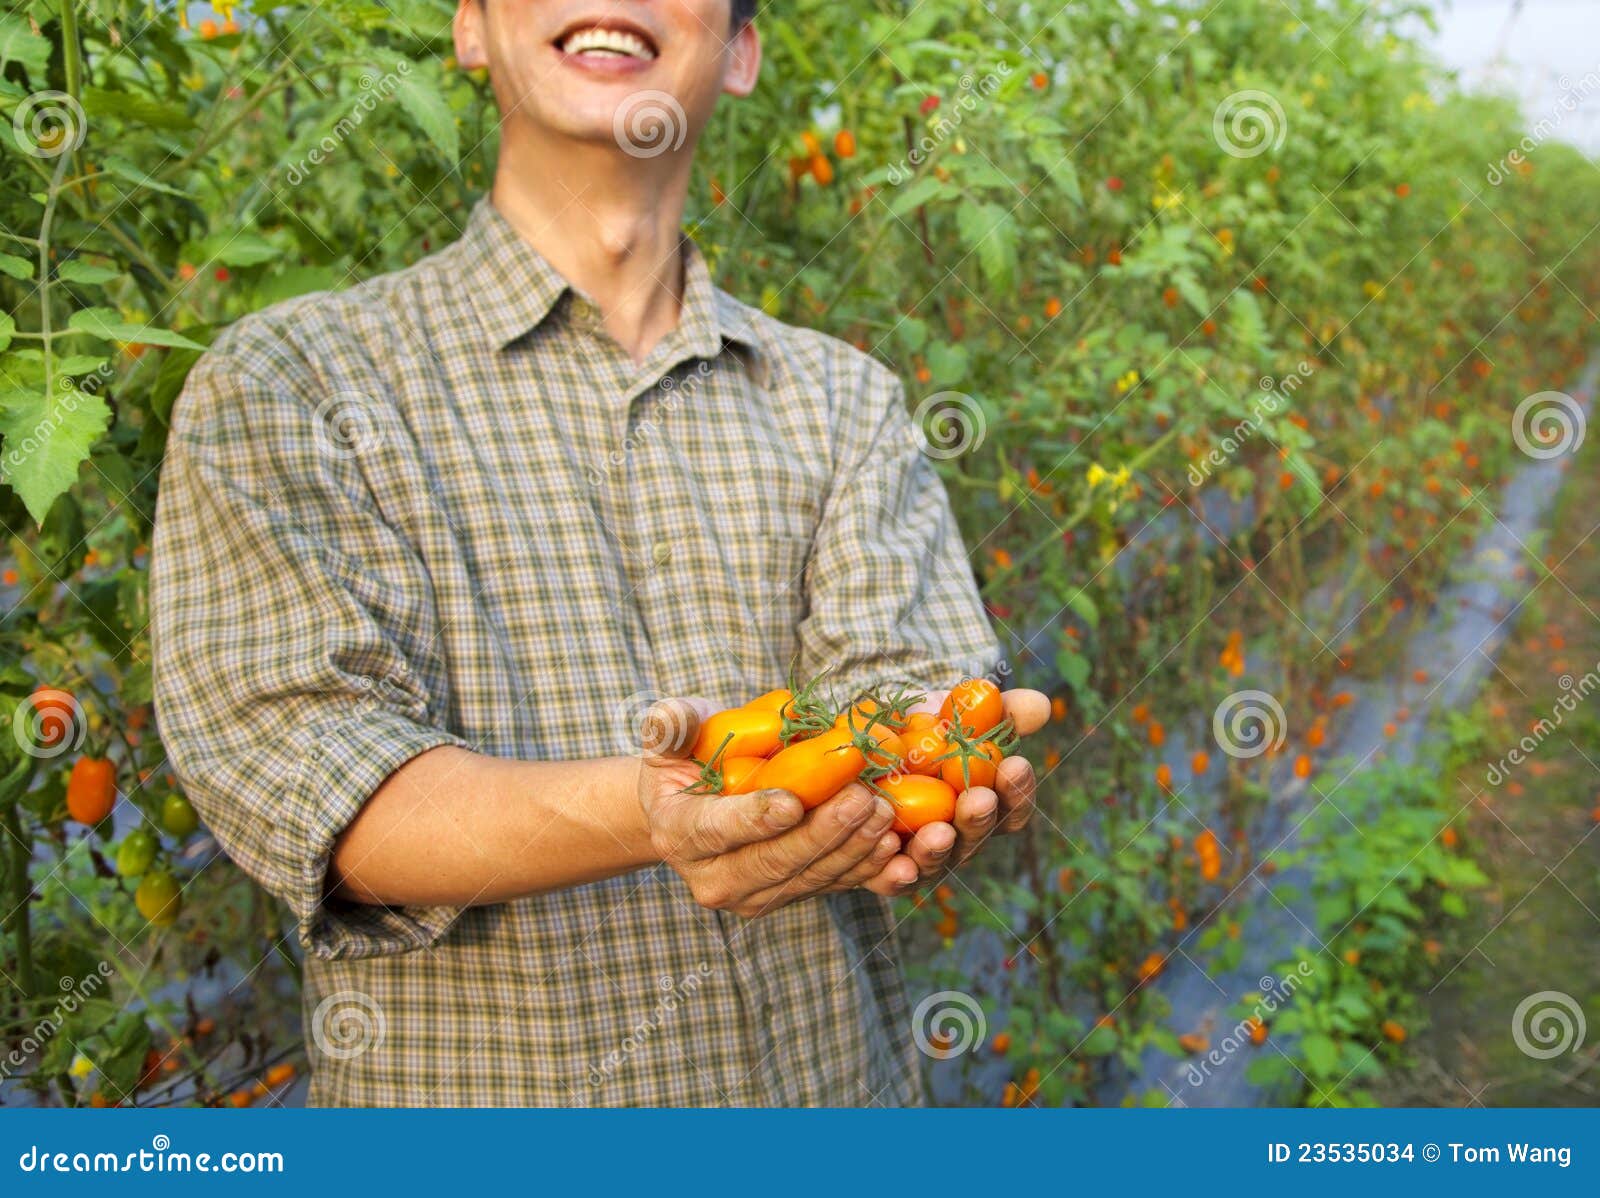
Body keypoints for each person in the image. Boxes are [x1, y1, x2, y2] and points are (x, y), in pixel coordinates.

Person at [150, 0, 1039, 1107]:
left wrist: (933, 767)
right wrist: (659, 809)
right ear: (471, 28)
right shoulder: (293, 384)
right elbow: (318, 777)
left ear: (743, 49)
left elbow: (898, 690)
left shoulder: (842, 399)